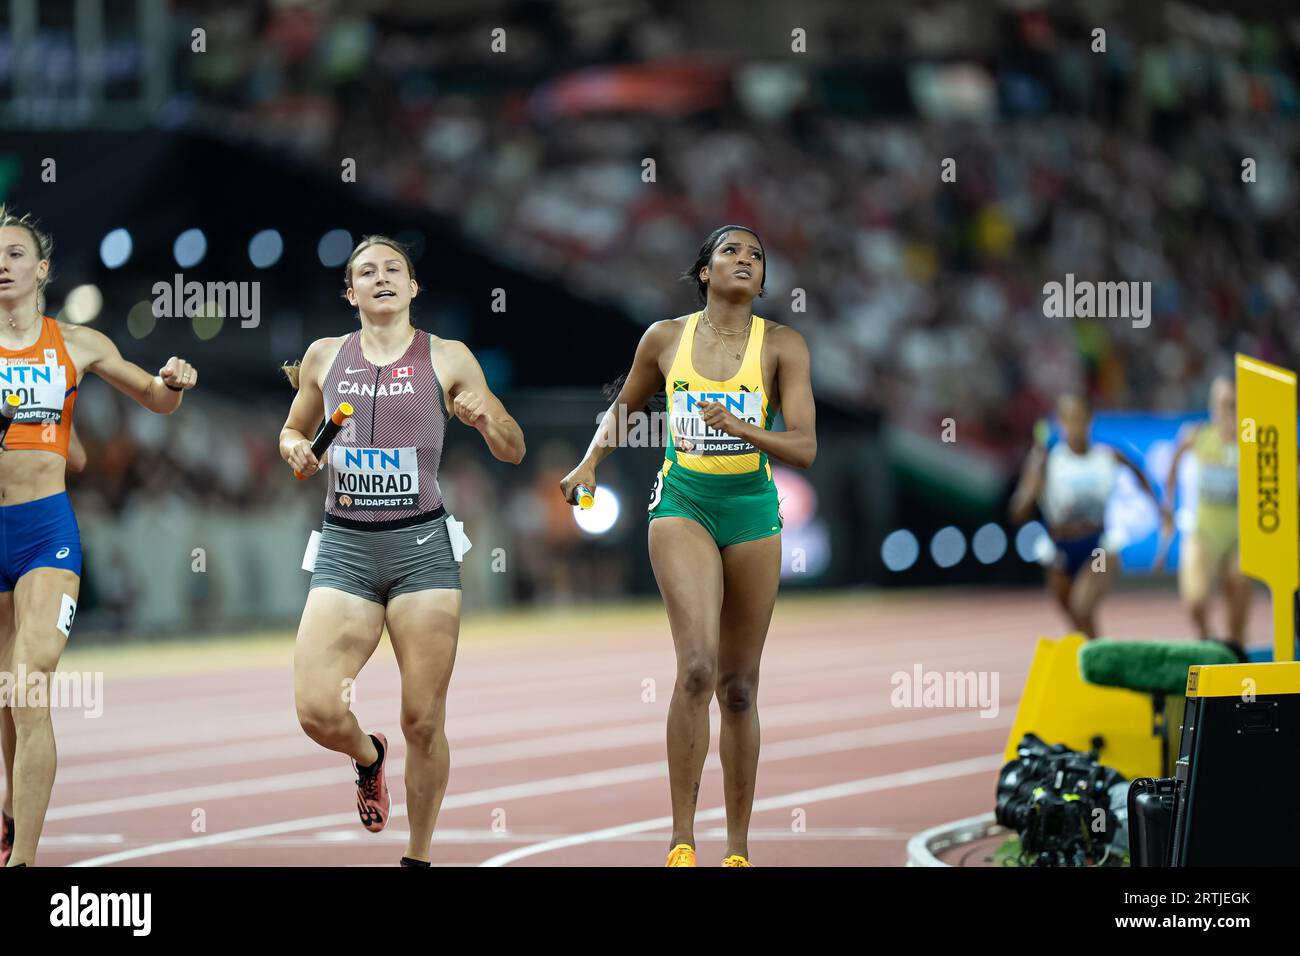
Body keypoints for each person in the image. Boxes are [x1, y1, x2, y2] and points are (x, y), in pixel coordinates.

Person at [560, 225, 817, 867]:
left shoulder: (783, 346)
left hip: (753, 512)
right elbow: (625, 407)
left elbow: (805, 448)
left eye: (757, 256)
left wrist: (742, 428)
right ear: (705, 270)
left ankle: (737, 848)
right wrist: (590, 463)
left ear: (762, 282)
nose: (745, 260)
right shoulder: (666, 338)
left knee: (739, 687)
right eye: (731, 251)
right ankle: (682, 840)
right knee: (697, 667)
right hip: (684, 504)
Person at [280, 235, 525, 866]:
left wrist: (485, 419)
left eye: (394, 269)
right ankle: (368, 755)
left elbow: (514, 448)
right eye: (367, 271)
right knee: (315, 709)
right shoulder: (323, 357)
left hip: (422, 549)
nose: (382, 277)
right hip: (345, 546)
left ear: (413, 287)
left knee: (422, 718)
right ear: (351, 292)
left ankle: (417, 856)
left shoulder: (447, 357)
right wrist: (293, 449)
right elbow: (294, 429)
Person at [0, 207, 197, 866]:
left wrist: (172, 384)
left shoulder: (77, 344)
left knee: (29, 687)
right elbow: (74, 450)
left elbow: (155, 399)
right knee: (7, 694)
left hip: (44, 535)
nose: (3, 264)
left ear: (42, 268)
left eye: (16, 253)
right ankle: (11, 805)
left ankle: (22, 860)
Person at [1010, 393, 1158, 639]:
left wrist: (1161, 511)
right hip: (1059, 551)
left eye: (1080, 418)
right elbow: (1018, 514)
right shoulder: (1047, 460)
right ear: (1060, 422)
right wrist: (1032, 479)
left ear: (1090, 420)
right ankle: (1094, 664)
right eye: (1068, 419)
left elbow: (1140, 474)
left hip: (1097, 548)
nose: (1074, 426)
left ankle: (1097, 667)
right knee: (1076, 621)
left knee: (1083, 606)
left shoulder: (1107, 456)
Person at [1160, 377, 1251, 655]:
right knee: (1195, 600)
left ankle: (1236, 652)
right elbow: (1173, 469)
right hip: (1204, 533)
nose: (1226, 412)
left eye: (1232, 405)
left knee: (1236, 594)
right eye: (1220, 405)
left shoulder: (1254, 442)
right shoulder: (1197, 435)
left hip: (1241, 537)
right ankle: (1207, 639)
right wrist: (1168, 514)